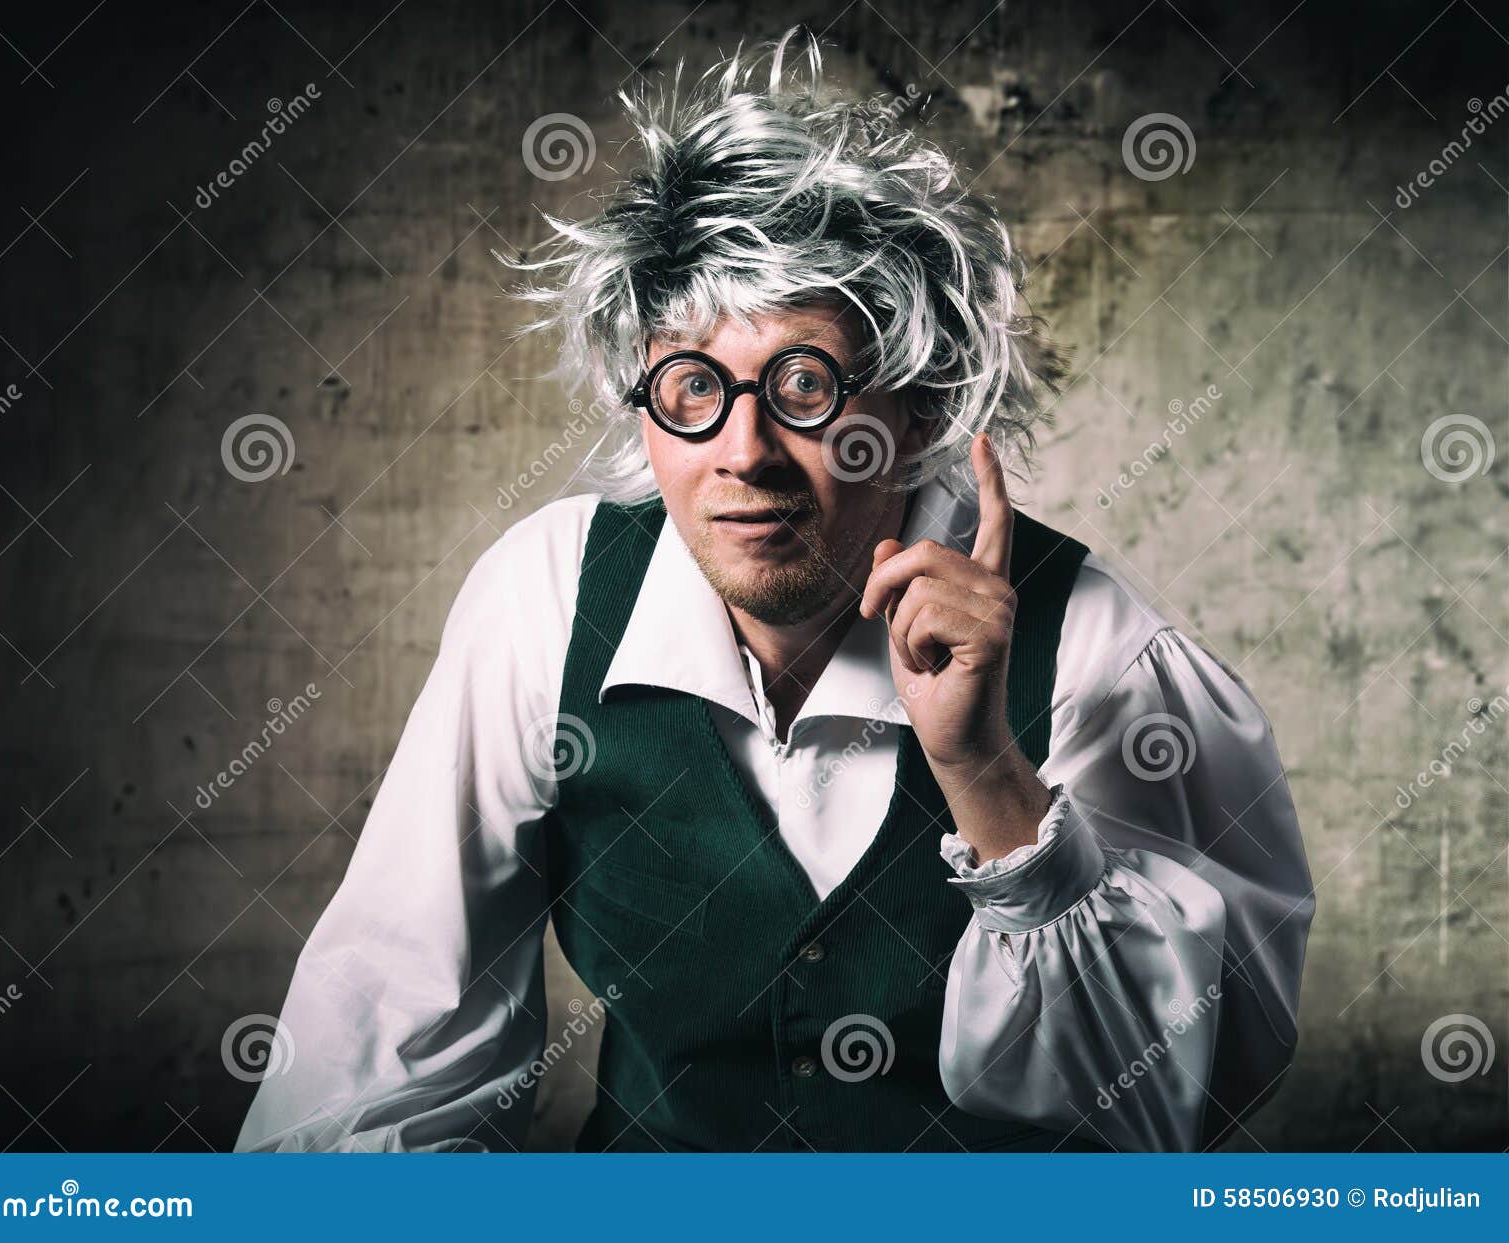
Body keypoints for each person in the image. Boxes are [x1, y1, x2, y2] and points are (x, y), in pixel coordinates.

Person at [235, 28, 1312, 1154]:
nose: (742, 450)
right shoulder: (546, 604)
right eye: (691, 385)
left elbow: (1157, 1112)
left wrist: (987, 774)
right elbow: (380, 1048)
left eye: (803, 383)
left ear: (920, 407)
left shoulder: (1095, 648)